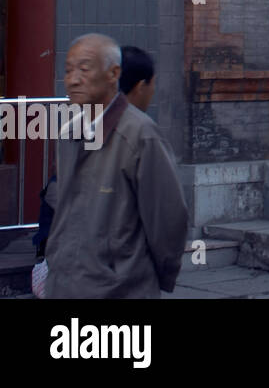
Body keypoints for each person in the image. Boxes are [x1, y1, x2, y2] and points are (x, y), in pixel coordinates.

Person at [45, 33, 188, 298]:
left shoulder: (140, 134)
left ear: (113, 74)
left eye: (84, 69)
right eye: (68, 70)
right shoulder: (69, 131)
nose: (73, 79)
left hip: (119, 288)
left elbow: (168, 219)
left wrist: (150, 274)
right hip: (65, 283)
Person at [120, 45, 157, 113]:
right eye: (153, 83)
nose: (153, 91)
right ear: (141, 87)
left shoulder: (98, 115)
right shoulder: (141, 123)